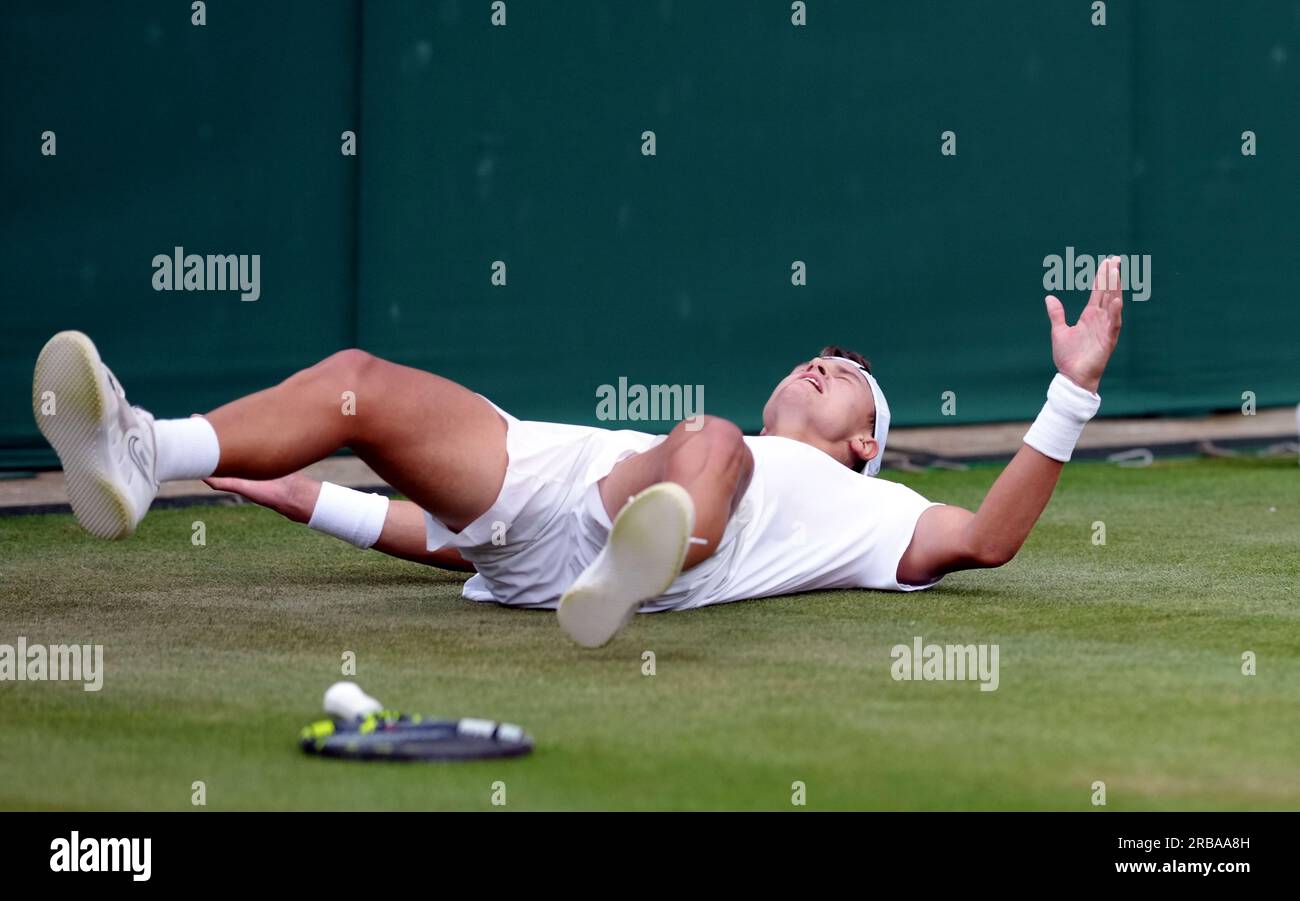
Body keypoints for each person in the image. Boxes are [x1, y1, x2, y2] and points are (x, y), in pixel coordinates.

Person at [31, 259, 1125, 647]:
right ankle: (145, 448)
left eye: (847, 374)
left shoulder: (872, 515)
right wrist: (316, 502)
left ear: (865, 445)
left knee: (699, 437)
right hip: (552, 498)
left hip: (644, 540)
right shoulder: (714, 440)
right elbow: (473, 552)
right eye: (816, 355)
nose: (822, 361)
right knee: (355, 382)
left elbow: (987, 537)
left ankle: (656, 558)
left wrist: (1069, 393)